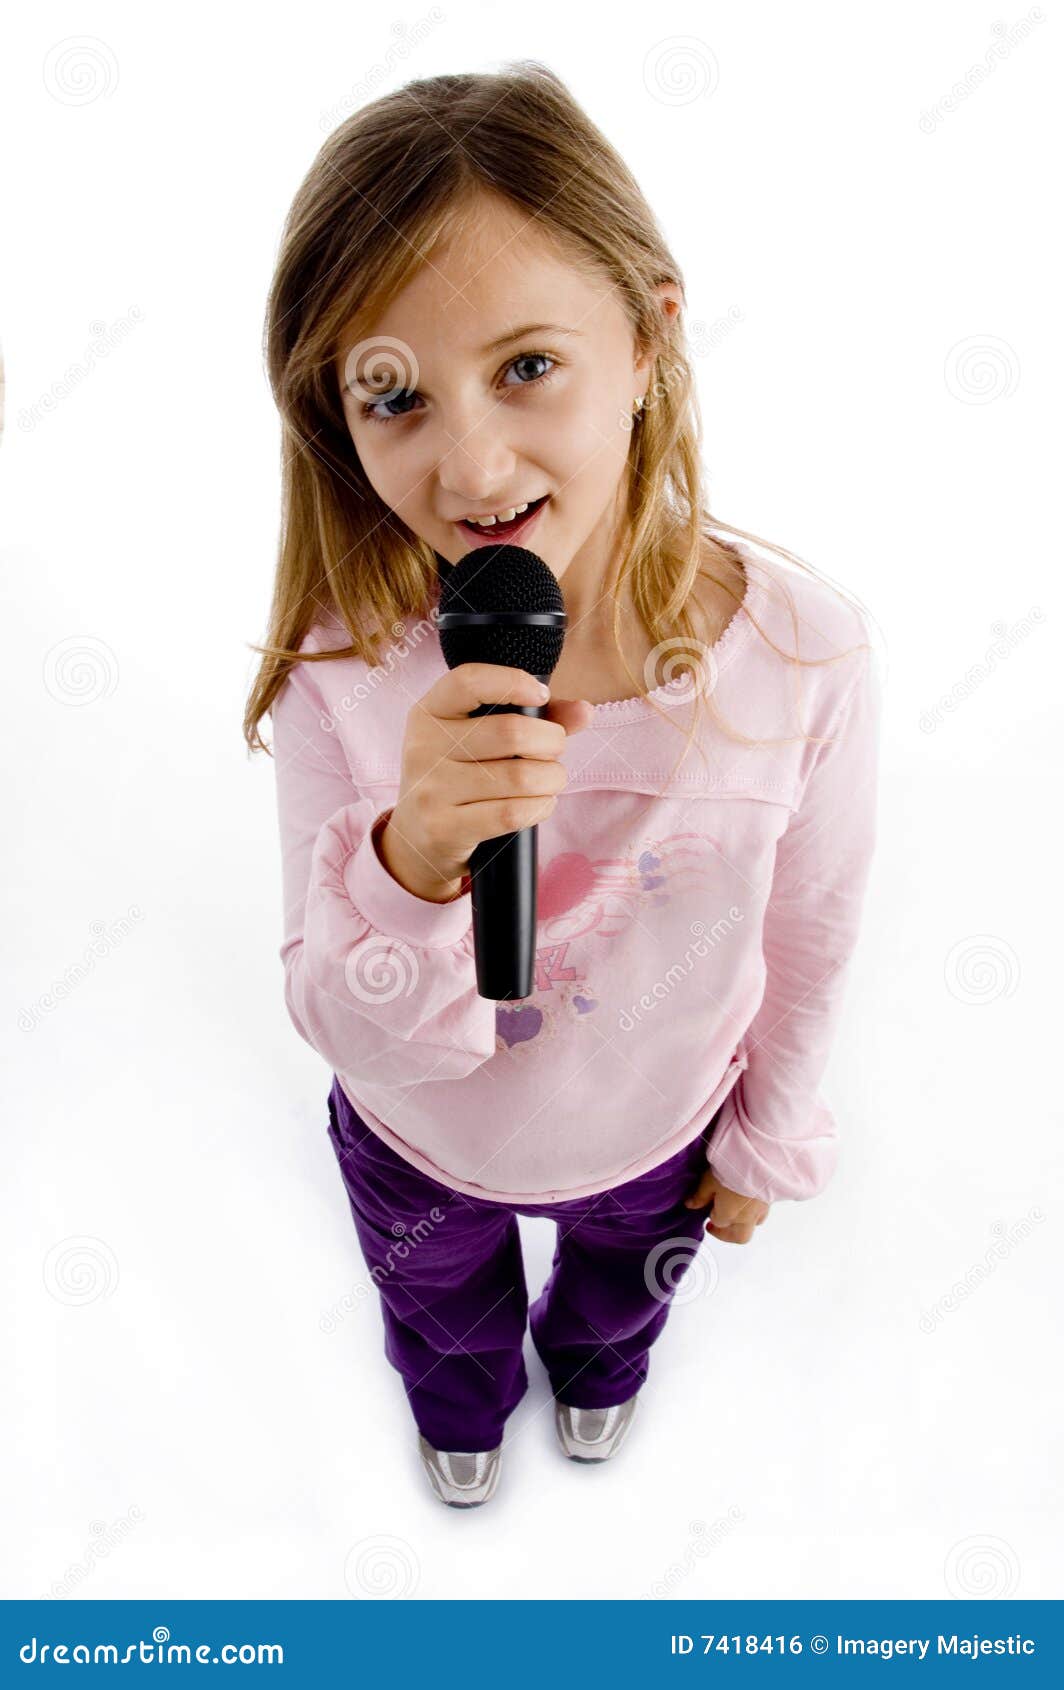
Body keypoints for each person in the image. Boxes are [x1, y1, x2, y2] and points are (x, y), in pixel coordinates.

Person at [245, 63, 883, 1509]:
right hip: (419, 1143)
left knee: (620, 1303)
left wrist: (768, 1129)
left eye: (527, 365)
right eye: (392, 393)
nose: (470, 461)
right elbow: (338, 1014)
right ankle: (461, 1419)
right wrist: (411, 861)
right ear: (333, 416)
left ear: (650, 332)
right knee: (440, 1316)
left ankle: (597, 1382)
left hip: (657, 1132)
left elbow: (816, 929)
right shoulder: (339, 671)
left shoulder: (805, 654)